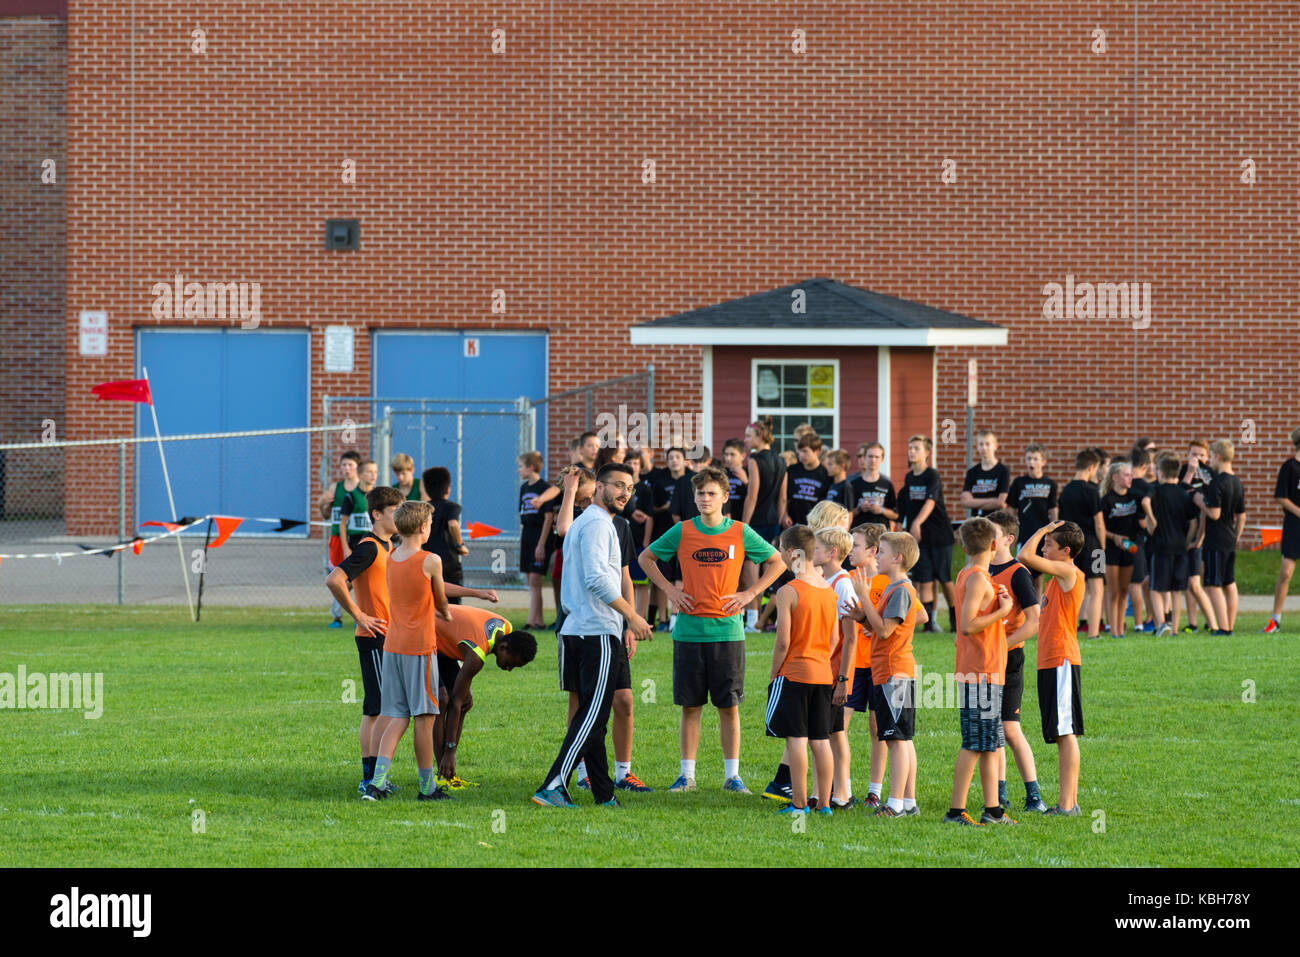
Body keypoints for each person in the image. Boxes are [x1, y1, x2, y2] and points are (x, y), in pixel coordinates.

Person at [639, 465, 786, 795]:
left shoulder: (740, 531)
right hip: (689, 633)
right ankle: (686, 776)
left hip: (728, 634)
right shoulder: (682, 531)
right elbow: (647, 558)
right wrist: (670, 591)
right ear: (694, 497)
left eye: (711, 494)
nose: (705, 499)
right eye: (700, 494)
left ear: (724, 496)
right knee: (690, 707)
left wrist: (750, 594)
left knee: (728, 707)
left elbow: (778, 561)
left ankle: (732, 777)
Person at [534, 463, 652, 808]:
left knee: (593, 717)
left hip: (580, 630)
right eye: (617, 485)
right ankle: (554, 784)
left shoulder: (588, 522)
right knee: (592, 716)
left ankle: (604, 794)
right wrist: (633, 616)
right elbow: (598, 581)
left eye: (629, 488)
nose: (624, 493)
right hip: (595, 632)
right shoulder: (599, 524)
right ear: (598, 486)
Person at [363, 501, 454, 802]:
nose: (430, 526)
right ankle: (427, 788)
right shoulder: (431, 560)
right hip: (419, 647)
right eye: (429, 521)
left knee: (396, 716)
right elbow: (440, 600)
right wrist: (446, 613)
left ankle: (376, 783)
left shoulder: (391, 556)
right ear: (421, 527)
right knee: (424, 719)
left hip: (393, 646)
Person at [325, 485, 405, 796]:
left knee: (384, 707)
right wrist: (359, 615)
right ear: (376, 514)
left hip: (389, 637)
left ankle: (376, 778)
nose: (399, 517)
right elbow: (335, 579)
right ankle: (369, 779)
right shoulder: (369, 546)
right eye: (394, 511)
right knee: (377, 709)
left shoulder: (388, 547)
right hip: (373, 637)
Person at [945, 517, 1015, 826]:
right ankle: (955, 812)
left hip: (988, 671)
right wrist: (1002, 612)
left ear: (963, 546)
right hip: (980, 672)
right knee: (975, 743)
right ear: (994, 545)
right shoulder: (975, 578)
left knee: (991, 743)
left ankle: (993, 810)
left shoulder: (971, 574)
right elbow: (968, 625)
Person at [764, 525, 837, 815]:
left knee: (796, 739)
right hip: (822, 674)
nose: (779, 555)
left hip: (795, 673)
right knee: (821, 740)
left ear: (793, 553)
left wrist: (774, 673)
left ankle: (799, 803)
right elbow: (833, 639)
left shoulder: (788, 591)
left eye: (782, 550)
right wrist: (819, 659)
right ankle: (825, 804)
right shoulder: (828, 590)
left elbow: (783, 641)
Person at [850, 532, 923, 817]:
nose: (876, 556)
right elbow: (879, 625)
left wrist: (864, 597)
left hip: (895, 672)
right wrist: (860, 616)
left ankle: (894, 804)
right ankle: (907, 803)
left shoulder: (901, 589)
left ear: (897, 558)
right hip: (889, 672)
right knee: (900, 739)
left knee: (895, 740)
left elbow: (884, 630)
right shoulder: (895, 587)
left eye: (881, 552)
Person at [1015, 520, 1086, 816]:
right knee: (1059, 732)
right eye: (1045, 543)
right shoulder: (1057, 578)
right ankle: (1067, 802)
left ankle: (1067, 805)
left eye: (1050, 545)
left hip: (1062, 659)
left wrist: (1041, 529)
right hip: (1050, 661)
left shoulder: (1069, 571)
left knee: (1066, 732)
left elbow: (1024, 556)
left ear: (1066, 551)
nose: (1044, 548)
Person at [434, 605, 538, 785]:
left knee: (465, 703)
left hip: (444, 645)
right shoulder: (477, 655)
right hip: (423, 638)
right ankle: (443, 772)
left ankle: (448, 773)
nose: (509, 669)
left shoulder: (506, 627)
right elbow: (455, 703)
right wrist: (450, 751)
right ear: (503, 647)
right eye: (511, 663)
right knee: (443, 702)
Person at [985, 509, 1046, 813]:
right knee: (991, 728)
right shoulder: (981, 570)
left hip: (1009, 658)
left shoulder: (1018, 572)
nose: (986, 539)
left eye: (991, 533)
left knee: (1009, 728)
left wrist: (1001, 646)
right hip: (984, 660)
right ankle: (999, 793)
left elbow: (1034, 622)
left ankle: (1034, 795)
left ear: (1008, 539)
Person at [843, 524, 891, 808]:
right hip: (851, 664)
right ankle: (842, 788)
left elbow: (917, 616)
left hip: (878, 665)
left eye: (856, 545)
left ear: (873, 551)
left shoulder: (890, 581)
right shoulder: (847, 577)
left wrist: (880, 624)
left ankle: (874, 791)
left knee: (878, 729)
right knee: (839, 727)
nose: (851, 550)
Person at [901, 434, 956, 633]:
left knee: (944, 578)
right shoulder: (909, 477)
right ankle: (929, 623)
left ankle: (954, 618)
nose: (912, 451)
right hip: (919, 537)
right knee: (923, 578)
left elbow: (930, 502)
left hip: (940, 534)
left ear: (926, 453)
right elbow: (907, 506)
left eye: (916, 448)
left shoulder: (932, 475)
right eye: (910, 447)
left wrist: (917, 522)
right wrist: (908, 527)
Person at [1142, 454, 1198, 636]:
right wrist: (1188, 540)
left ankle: (1161, 625)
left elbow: (1145, 502)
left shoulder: (1156, 491)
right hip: (1180, 547)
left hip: (1161, 546)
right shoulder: (1184, 494)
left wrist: (1151, 519)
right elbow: (1194, 523)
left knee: (1157, 589)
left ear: (1161, 472)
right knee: (1176, 590)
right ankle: (1174, 630)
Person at [1198, 439, 1245, 635]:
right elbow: (1241, 516)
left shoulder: (1218, 482)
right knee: (1229, 582)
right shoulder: (1237, 481)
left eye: (1210, 456)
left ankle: (1224, 627)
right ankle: (1230, 624)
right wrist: (1236, 537)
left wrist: (1199, 500)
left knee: (1212, 584)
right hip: (1230, 537)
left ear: (1217, 456)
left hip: (1216, 539)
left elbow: (1214, 513)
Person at [1057, 449, 1106, 639]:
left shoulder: (1067, 490)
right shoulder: (1092, 491)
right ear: (1092, 467)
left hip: (1071, 545)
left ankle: (1068, 630)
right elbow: (1099, 523)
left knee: (1070, 588)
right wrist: (1103, 547)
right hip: (1093, 544)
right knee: (1096, 588)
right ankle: (1093, 633)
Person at [318, 450, 363, 627]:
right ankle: (337, 616)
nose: (346, 468)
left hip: (358, 537)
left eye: (350, 465)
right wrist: (322, 503)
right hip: (338, 537)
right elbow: (326, 514)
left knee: (358, 579)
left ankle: (359, 614)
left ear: (357, 467)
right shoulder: (335, 488)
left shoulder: (363, 488)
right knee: (337, 577)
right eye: (343, 465)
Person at [1100, 460, 1143, 638]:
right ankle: (1113, 629)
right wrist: (1113, 537)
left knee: (1125, 589)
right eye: (1126, 474)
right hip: (1112, 548)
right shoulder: (1107, 499)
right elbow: (1101, 527)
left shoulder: (1133, 497)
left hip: (1129, 547)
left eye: (1131, 474)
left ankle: (1121, 627)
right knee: (1113, 590)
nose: (1130, 478)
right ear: (1116, 477)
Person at [1178, 439, 1218, 633]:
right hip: (1186, 528)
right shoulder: (1183, 471)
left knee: (1202, 579)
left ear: (1208, 457)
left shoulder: (1210, 475)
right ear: (1187, 455)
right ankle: (1192, 622)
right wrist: (1190, 472)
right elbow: (1178, 491)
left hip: (1206, 530)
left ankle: (1212, 622)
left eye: (1201, 455)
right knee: (1190, 580)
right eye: (1194, 454)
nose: (1197, 459)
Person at [1264, 427, 1300, 633]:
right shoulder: (1289, 467)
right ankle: (1275, 619)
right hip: (1294, 526)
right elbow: (1281, 496)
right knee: (1286, 572)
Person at [421, 467, 468, 605]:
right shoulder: (451, 507)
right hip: (449, 560)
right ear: (448, 489)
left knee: (430, 598)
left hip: (427, 559)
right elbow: (453, 524)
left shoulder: (423, 508)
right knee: (453, 598)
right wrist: (460, 545)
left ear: (427, 489)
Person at [517, 451, 551, 629]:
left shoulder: (544, 487)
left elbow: (548, 517)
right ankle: (539, 621)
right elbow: (522, 511)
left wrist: (541, 545)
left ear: (531, 468)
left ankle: (530, 622)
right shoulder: (524, 488)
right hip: (527, 534)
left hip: (539, 534)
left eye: (521, 466)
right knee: (530, 578)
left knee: (535, 579)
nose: (519, 470)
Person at [780, 432, 831, 528]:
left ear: (817, 451)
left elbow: (826, 504)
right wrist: (784, 515)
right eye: (799, 451)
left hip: (814, 526)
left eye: (805, 451)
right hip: (792, 523)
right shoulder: (792, 470)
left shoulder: (826, 474)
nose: (801, 455)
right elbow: (783, 497)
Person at [960, 430, 1011, 518]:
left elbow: (1000, 502)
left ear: (995, 446)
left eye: (987, 444)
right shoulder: (972, 472)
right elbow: (965, 502)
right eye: (981, 444)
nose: (984, 447)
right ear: (977, 447)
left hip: (995, 522)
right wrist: (993, 501)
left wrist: (974, 502)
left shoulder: (1003, 471)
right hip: (976, 522)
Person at [849, 442, 898, 530]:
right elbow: (846, 514)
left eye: (877, 457)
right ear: (864, 458)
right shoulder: (853, 484)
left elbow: (896, 514)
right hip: (859, 532)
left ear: (882, 459)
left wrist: (881, 510)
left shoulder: (887, 484)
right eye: (870, 456)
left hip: (881, 534)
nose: (873, 460)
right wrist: (860, 509)